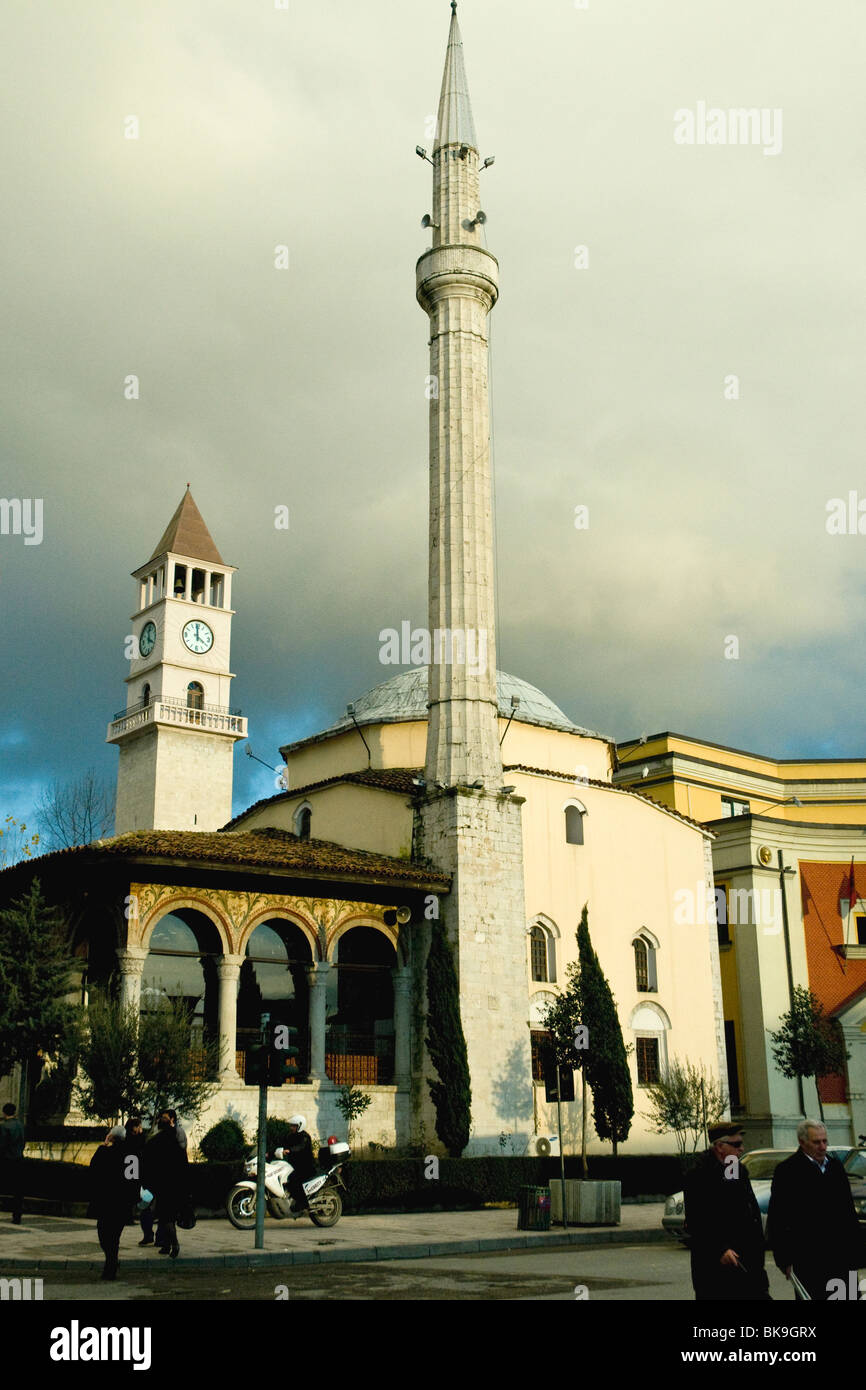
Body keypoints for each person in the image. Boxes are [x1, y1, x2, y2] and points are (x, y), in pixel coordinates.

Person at [766, 1119, 864, 1301]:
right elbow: (778, 1219)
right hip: (809, 1260)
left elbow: (848, 1213)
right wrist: (785, 1260)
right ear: (802, 1142)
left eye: (825, 1141)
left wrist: (857, 1253)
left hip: (842, 1258)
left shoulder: (835, 1168)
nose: (822, 1147)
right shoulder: (788, 1171)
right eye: (816, 1142)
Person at [683, 1121, 770, 1300]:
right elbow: (697, 1220)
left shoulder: (738, 1170)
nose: (741, 1149)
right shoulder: (700, 1174)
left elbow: (749, 1210)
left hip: (747, 1260)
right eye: (736, 1144)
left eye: (741, 1143)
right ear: (720, 1147)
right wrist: (720, 1249)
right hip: (717, 1267)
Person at [141, 1110, 189, 1259]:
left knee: (165, 1217)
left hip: (162, 1186)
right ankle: (167, 1244)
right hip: (175, 1185)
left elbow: (147, 1165)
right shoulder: (175, 1143)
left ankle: (173, 1244)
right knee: (167, 1217)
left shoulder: (155, 1142)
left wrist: (148, 1183)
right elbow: (183, 1165)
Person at [89, 1126, 130, 1281]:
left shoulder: (104, 1152)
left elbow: (93, 1170)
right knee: (114, 1236)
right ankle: (112, 1263)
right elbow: (134, 1179)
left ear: (111, 1137)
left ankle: (111, 1264)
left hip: (106, 1200)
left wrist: (104, 1144)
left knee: (104, 1233)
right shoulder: (130, 1155)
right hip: (122, 1202)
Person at [0, 1102, 26, 1225]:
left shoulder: (4, 1126)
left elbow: (2, 1145)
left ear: (4, 1112)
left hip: (7, 1160)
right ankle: (17, 1216)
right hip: (19, 1159)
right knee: (18, 1190)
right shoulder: (20, 1125)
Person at [283, 1115, 314, 1213]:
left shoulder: (305, 1137)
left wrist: (290, 1150)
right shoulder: (290, 1136)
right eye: (291, 1126)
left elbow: (301, 1147)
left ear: (300, 1125)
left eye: (294, 1126)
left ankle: (303, 1203)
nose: (291, 1128)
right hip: (293, 1166)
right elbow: (282, 1145)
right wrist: (269, 1153)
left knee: (294, 1179)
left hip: (306, 1166)